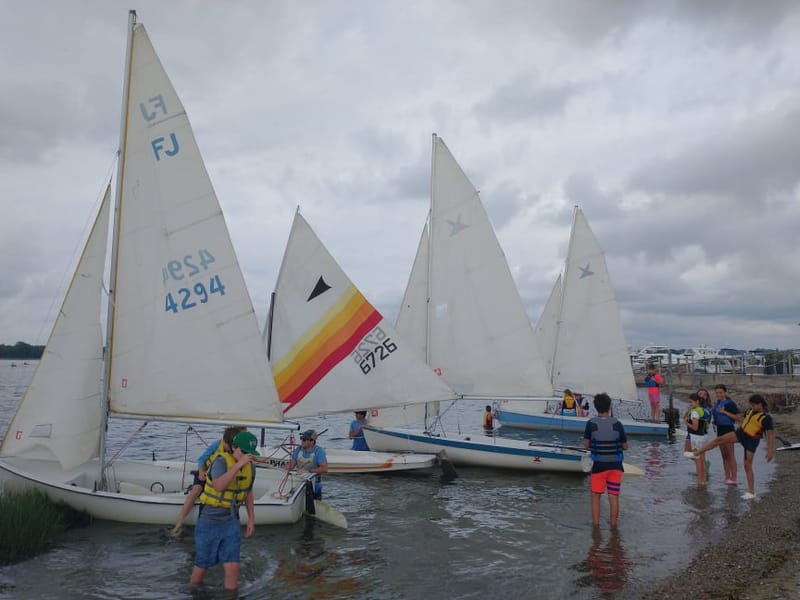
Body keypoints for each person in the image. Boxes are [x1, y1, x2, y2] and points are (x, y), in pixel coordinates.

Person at [189, 430, 260, 594]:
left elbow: (248, 493)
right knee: (203, 566)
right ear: (234, 448)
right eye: (243, 452)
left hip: (231, 521)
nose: (246, 457)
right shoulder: (221, 462)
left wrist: (251, 520)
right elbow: (219, 486)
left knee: (233, 565)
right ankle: (193, 592)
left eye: (249, 454)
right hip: (209, 520)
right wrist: (238, 465)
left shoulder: (251, 468)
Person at [693, 394, 775, 499]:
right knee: (719, 439)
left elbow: (771, 434)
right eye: (751, 405)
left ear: (760, 404)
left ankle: (751, 492)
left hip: (751, 440)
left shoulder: (766, 418)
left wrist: (770, 451)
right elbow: (742, 419)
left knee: (747, 465)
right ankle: (697, 453)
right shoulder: (750, 410)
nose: (752, 407)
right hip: (741, 433)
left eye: (754, 405)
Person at [172, 425, 246, 536]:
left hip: (221, 477)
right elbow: (201, 460)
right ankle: (179, 523)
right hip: (206, 474)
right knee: (196, 490)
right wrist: (201, 472)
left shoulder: (239, 451)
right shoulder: (217, 445)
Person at [584, 392, 628, 528]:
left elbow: (586, 445)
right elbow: (625, 446)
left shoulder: (591, 424)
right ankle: (613, 527)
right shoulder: (618, 424)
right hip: (616, 466)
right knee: (613, 496)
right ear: (609, 407)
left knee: (595, 497)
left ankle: (596, 528)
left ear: (596, 408)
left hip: (599, 467)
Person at [711, 384, 739, 485]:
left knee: (731, 455)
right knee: (724, 456)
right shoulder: (717, 403)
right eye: (717, 393)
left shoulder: (730, 404)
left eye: (721, 392)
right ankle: (727, 477)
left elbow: (737, 418)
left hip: (728, 429)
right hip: (720, 429)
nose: (718, 394)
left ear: (725, 392)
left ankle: (734, 478)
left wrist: (725, 412)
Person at [288, 429, 328, 499]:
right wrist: (278, 469)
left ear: (312, 441)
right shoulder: (298, 449)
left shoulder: (319, 452)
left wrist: (308, 471)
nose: (302, 441)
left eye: (304, 439)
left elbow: (324, 469)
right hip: (299, 482)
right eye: (301, 438)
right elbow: (291, 465)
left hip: (314, 485)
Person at [685, 393, 710, 486]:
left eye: (691, 402)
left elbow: (695, 427)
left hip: (696, 437)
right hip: (704, 437)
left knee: (698, 459)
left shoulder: (695, 412)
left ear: (697, 402)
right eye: (689, 402)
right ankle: (703, 480)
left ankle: (700, 481)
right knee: (702, 459)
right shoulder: (704, 410)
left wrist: (686, 423)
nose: (690, 404)